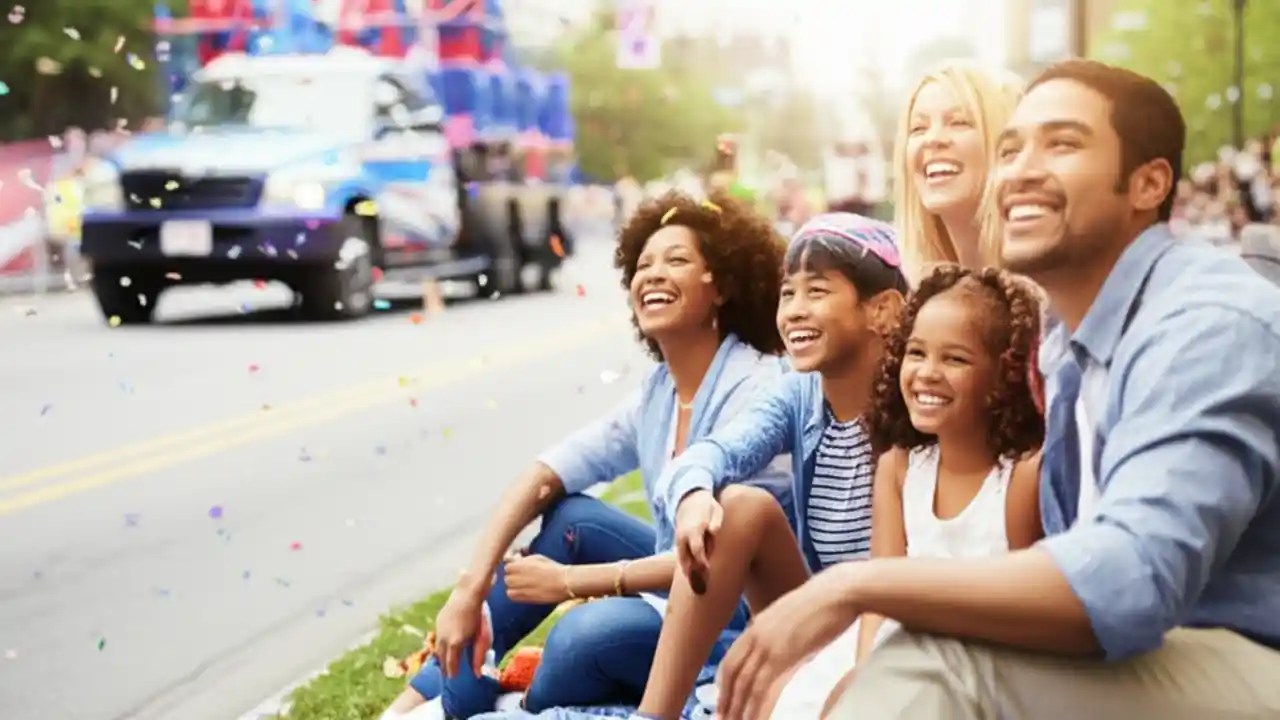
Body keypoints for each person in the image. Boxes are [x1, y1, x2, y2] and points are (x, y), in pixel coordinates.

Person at [713, 59, 1280, 720]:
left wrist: (859, 584)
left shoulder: (1205, 326)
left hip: (1244, 655)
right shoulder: (1068, 340)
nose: (1022, 170)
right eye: (1012, 148)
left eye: (1062, 144)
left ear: (1148, 183)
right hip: (1153, 651)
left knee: (939, 664)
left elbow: (1130, 580)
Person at [379, 191, 793, 720]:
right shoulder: (660, 392)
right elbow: (547, 472)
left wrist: (571, 584)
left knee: (583, 636)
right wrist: (470, 587)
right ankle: (413, 703)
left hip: (736, 617)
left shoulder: (755, 388)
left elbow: (724, 558)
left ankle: (503, 703)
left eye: (677, 260)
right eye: (644, 264)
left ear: (724, 286)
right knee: (572, 516)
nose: (653, 275)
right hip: (677, 590)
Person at [629, 213, 910, 720]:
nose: (795, 312)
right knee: (739, 506)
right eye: (788, 294)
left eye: (817, 292)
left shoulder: (915, 406)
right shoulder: (799, 395)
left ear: (883, 310)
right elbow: (714, 452)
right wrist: (694, 496)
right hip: (818, 615)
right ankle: (655, 716)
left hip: (895, 626)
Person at [809, 265, 1044, 714]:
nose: (927, 373)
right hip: (891, 647)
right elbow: (878, 595)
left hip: (984, 664)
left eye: (955, 359)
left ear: (1003, 376)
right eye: (917, 353)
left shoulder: (1020, 479)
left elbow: (1027, 613)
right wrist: (868, 672)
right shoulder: (898, 468)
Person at [892, 61, 1023, 281]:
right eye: (918, 128)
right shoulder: (918, 300)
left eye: (959, 122)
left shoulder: (1056, 295)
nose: (932, 139)